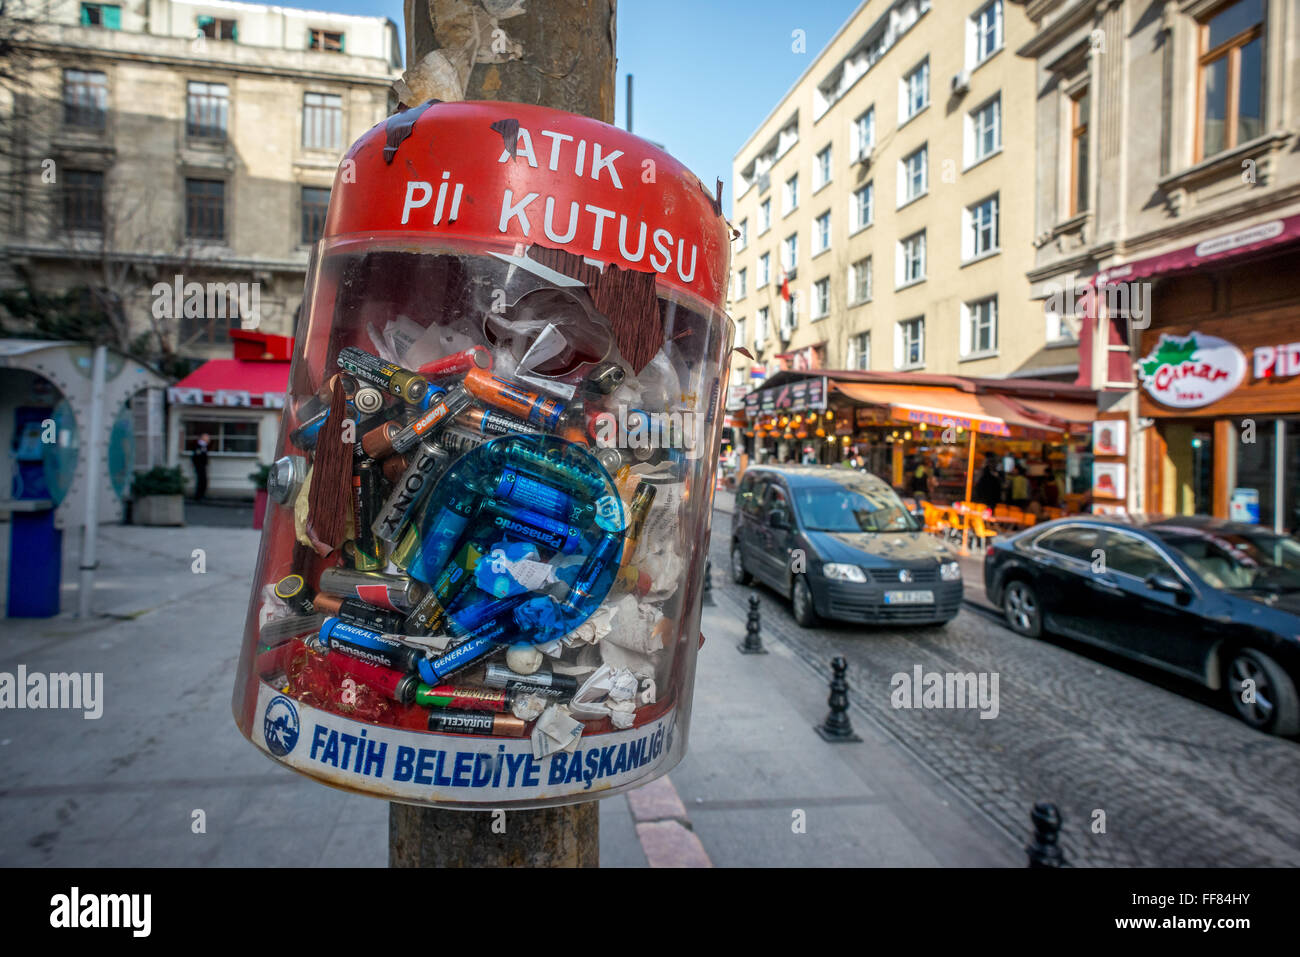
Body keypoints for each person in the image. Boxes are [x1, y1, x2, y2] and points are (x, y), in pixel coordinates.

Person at [192, 432, 210, 500]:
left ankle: (202, 495)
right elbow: (196, 457)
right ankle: (198, 496)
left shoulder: (204, 446)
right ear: (203, 438)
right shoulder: (199, 446)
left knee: (204, 481)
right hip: (200, 466)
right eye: (207, 438)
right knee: (201, 481)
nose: (209, 439)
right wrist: (199, 465)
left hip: (202, 466)